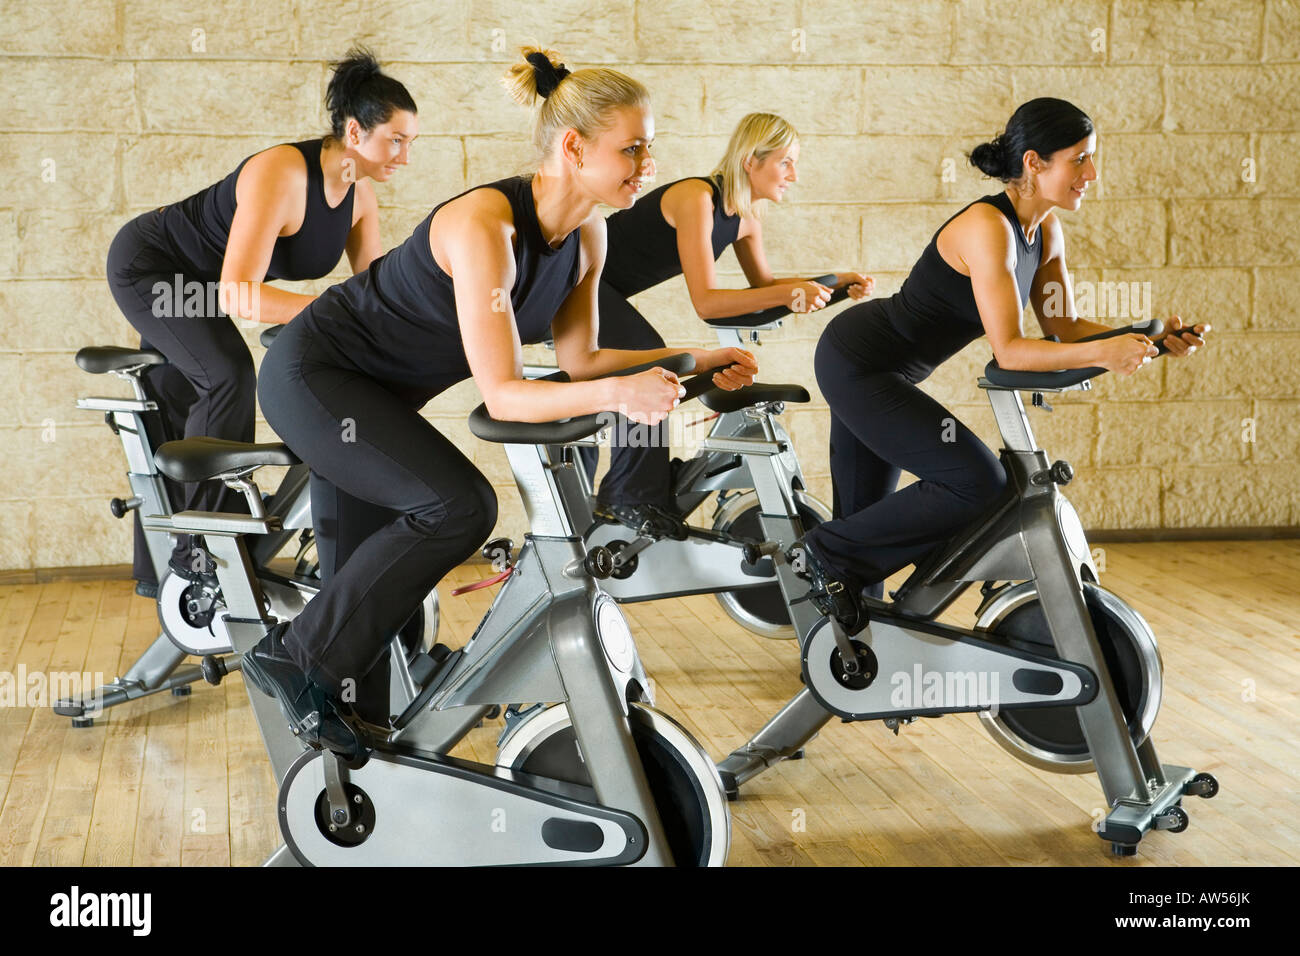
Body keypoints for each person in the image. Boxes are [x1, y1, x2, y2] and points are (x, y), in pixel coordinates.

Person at [247, 48, 758, 750]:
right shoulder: (487, 226)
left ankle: (349, 762)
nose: (649, 162)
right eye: (632, 148)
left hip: (378, 400)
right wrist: (622, 394)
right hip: (316, 374)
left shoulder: (587, 236)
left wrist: (692, 358)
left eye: (651, 146)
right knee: (459, 506)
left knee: (362, 588)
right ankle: (288, 657)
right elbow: (507, 394)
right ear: (574, 147)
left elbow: (583, 359)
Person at [799, 97, 1209, 632]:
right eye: (1079, 159)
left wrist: (1147, 336)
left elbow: (1064, 328)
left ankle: (841, 654)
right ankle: (821, 551)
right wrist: (1105, 353)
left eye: (1092, 158)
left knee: (862, 525)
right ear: (1036, 163)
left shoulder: (1044, 232)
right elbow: (1011, 351)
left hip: (889, 372)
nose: (1093, 173)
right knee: (978, 482)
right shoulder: (988, 228)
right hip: (856, 361)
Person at [105, 48, 417, 593]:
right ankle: (198, 551)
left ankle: (186, 555)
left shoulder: (360, 195)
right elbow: (241, 294)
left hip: (202, 285)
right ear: (353, 132)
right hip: (152, 270)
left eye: (410, 142)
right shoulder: (282, 174)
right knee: (226, 373)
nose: (405, 157)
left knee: (196, 390)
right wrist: (333, 312)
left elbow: (374, 291)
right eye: (396, 139)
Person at [582, 112, 872, 537]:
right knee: (654, 362)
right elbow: (709, 303)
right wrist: (798, 291)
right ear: (751, 161)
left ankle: (633, 489)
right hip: (576, 281)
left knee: (648, 362)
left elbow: (765, 287)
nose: (793, 173)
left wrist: (834, 284)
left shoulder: (746, 218)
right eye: (786, 162)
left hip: (603, 292)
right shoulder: (697, 198)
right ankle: (627, 495)